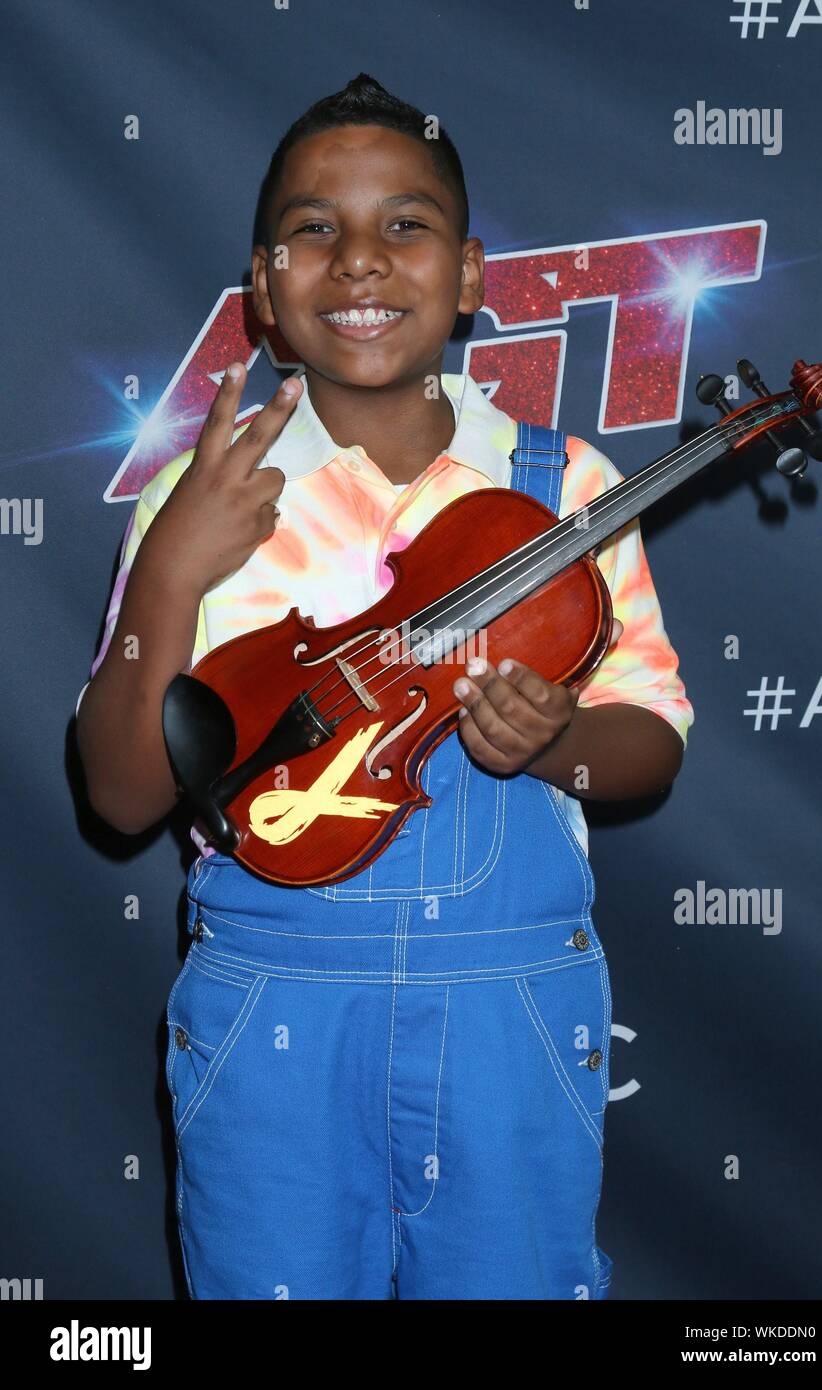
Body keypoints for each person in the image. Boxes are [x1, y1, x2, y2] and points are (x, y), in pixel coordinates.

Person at [76, 73, 693, 1301]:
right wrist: (170, 570)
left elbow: (651, 742)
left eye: (403, 226)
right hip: (274, 1011)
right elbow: (122, 795)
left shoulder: (563, 485)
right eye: (314, 229)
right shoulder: (196, 498)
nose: (358, 260)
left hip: (507, 1015)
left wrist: (556, 740)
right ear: (261, 287)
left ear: (470, 277)